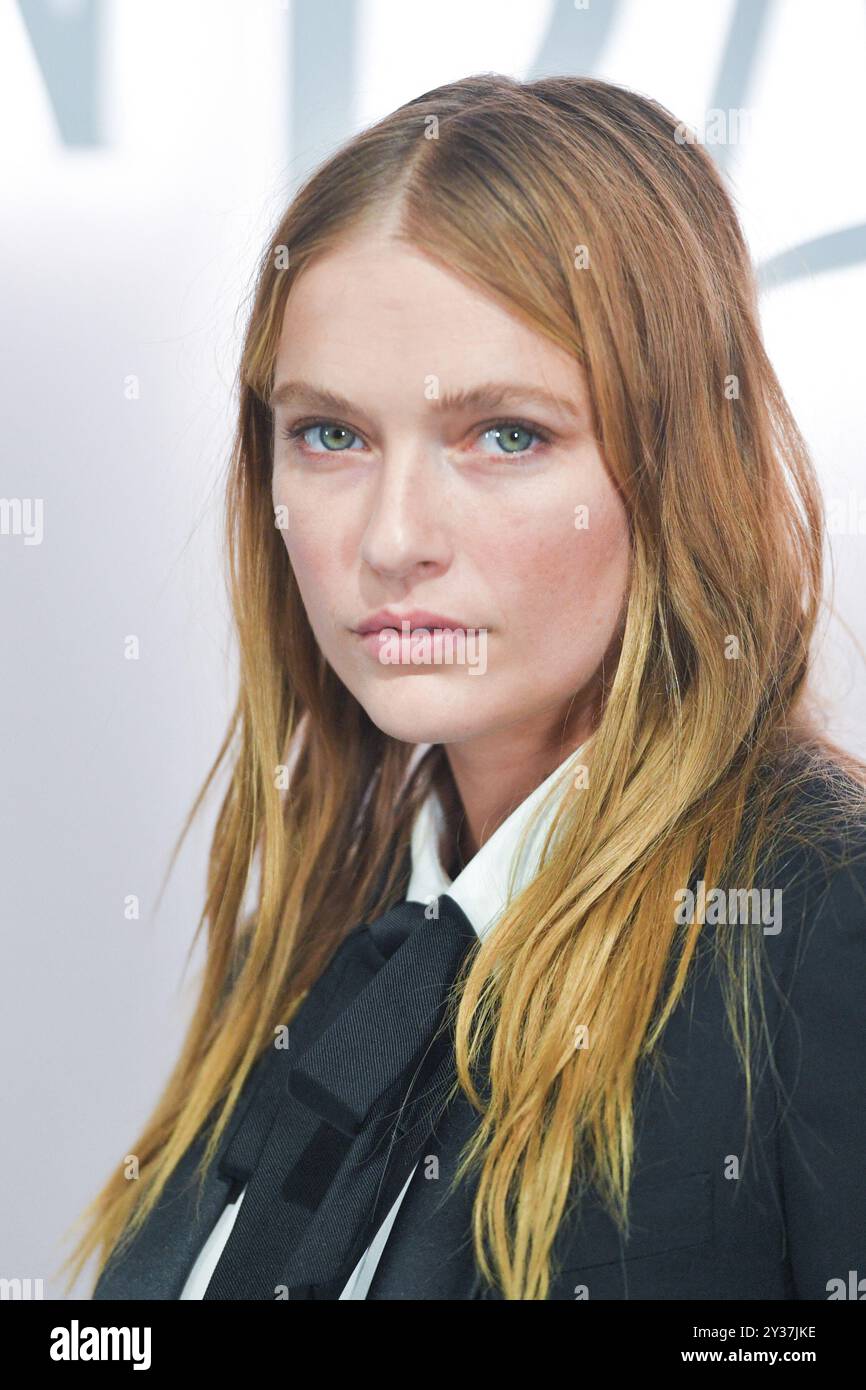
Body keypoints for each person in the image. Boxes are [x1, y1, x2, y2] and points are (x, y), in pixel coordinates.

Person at [63, 72, 866, 1301]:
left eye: (505, 435)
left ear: (676, 463)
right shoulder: (328, 943)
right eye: (330, 434)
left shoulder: (818, 924)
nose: (391, 539)